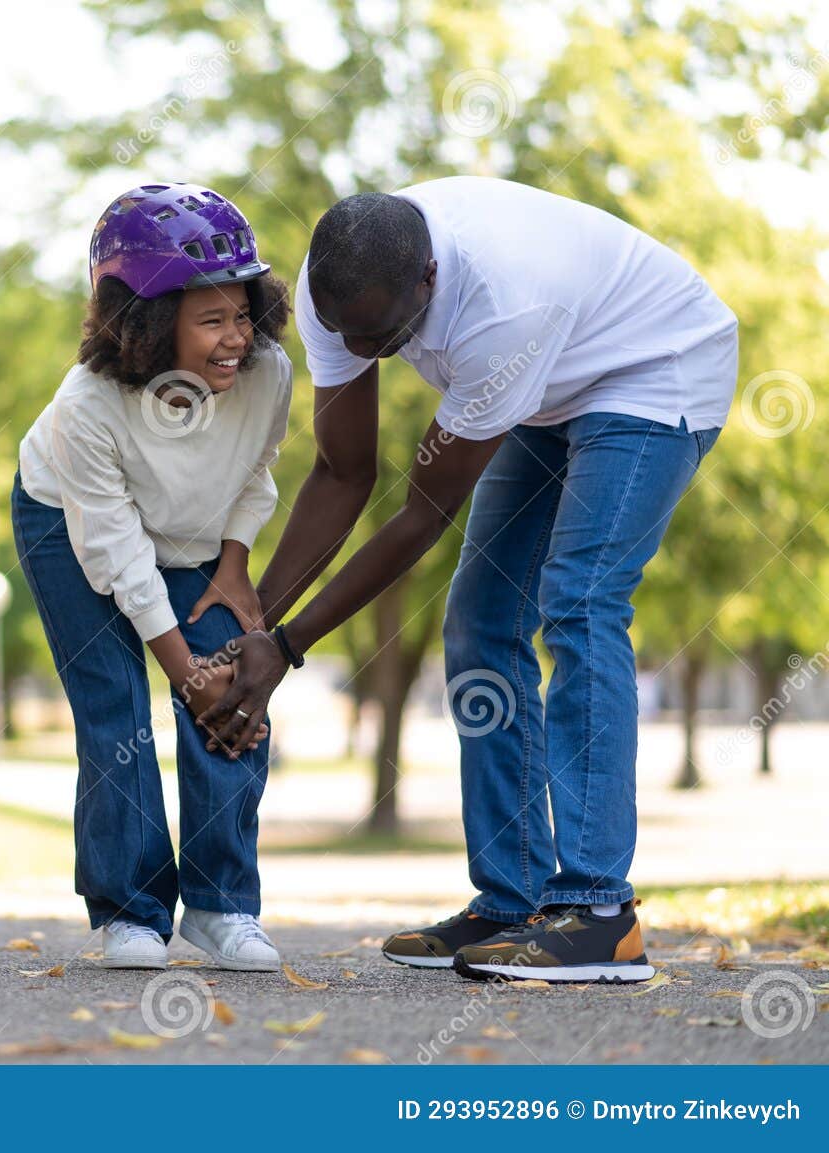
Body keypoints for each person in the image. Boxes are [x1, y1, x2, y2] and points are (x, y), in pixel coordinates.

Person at [199, 176, 737, 983]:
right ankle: (513, 898)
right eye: (353, 334)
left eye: (388, 335)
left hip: (656, 369)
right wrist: (252, 631)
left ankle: (598, 915)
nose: (373, 351)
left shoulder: (504, 304)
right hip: (555, 390)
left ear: (429, 282)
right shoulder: (336, 287)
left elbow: (420, 514)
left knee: (581, 599)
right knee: (479, 619)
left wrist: (289, 645)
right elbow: (345, 473)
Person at [12, 181, 294, 970]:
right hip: (68, 525)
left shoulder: (269, 373)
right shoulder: (88, 405)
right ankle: (130, 910)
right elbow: (114, 550)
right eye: (211, 321)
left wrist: (234, 563)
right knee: (117, 709)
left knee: (236, 690)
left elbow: (256, 468)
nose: (237, 337)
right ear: (145, 323)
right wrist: (182, 670)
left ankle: (221, 904)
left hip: (200, 534)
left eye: (243, 312)